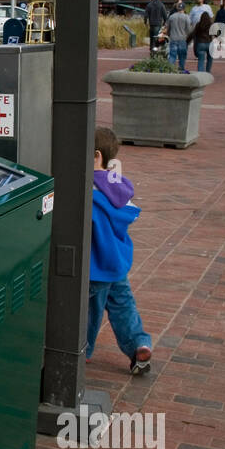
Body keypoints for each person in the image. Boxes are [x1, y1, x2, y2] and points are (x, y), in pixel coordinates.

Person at [87, 126, 152, 375]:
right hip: (117, 263)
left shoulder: (90, 191)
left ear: (96, 156)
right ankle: (139, 344)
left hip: (95, 267)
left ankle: (82, 350)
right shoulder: (118, 186)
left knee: (89, 313)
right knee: (124, 305)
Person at [164, 1, 191, 69]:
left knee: (172, 55)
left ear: (177, 8)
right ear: (184, 9)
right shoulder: (186, 17)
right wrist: (188, 36)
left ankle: (170, 69)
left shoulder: (172, 17)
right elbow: (188, 29)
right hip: (182, 39)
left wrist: (169, 35)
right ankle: (181, 69)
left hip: (173, 38)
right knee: (182, 56)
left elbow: (168, 28)